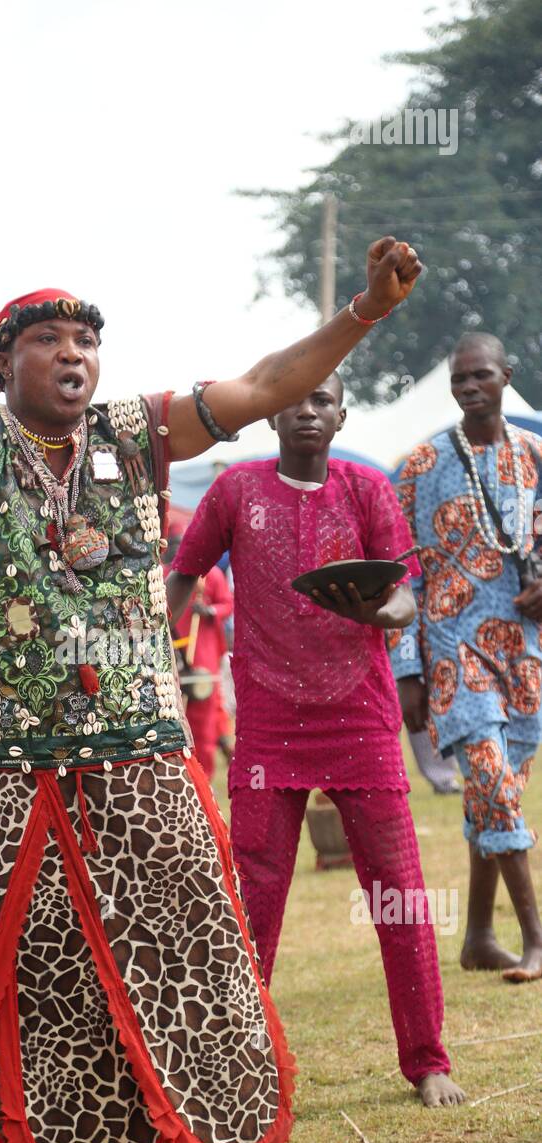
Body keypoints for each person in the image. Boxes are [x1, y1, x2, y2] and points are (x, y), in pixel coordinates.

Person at [0, 222, 422, 1143]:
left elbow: (254, 383)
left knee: (194, 945)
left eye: (85, 340)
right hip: (4, 761)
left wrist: (363, 313)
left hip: (141, 750)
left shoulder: (135, 431)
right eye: (48, 340)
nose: (73, 355)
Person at [168, 374, 462, 1106]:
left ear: (340, 414)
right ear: (271, 414)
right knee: (256, 892)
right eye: (295, 399)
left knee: (399, 893)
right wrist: (152, 657)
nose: (307, 410)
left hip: (360, 719)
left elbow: (403, 592)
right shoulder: (236, 489)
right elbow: (184, 574)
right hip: (269, 724)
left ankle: (427, 1060)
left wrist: (384, 612)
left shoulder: (366, 488)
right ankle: (237, 1059)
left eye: (323, 400)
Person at [391, 332, 542, 984]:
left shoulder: (536, 455)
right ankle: (537, 940)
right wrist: (408, 670)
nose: (469, 386)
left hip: (524, 654)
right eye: (460, 378)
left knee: (493, 792)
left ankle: (478, 936)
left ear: (507, 375)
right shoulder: (422, 464)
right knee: (495, 788)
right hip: (452, 655)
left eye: (481, 375)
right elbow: (402, 576)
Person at [166, 527, 234, 780]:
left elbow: (227, 604)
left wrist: (210, 611)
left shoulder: (213, 575)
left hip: (203, 653)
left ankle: (204, 779)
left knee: (205, 717)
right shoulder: (164, 575)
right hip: (174, 655)